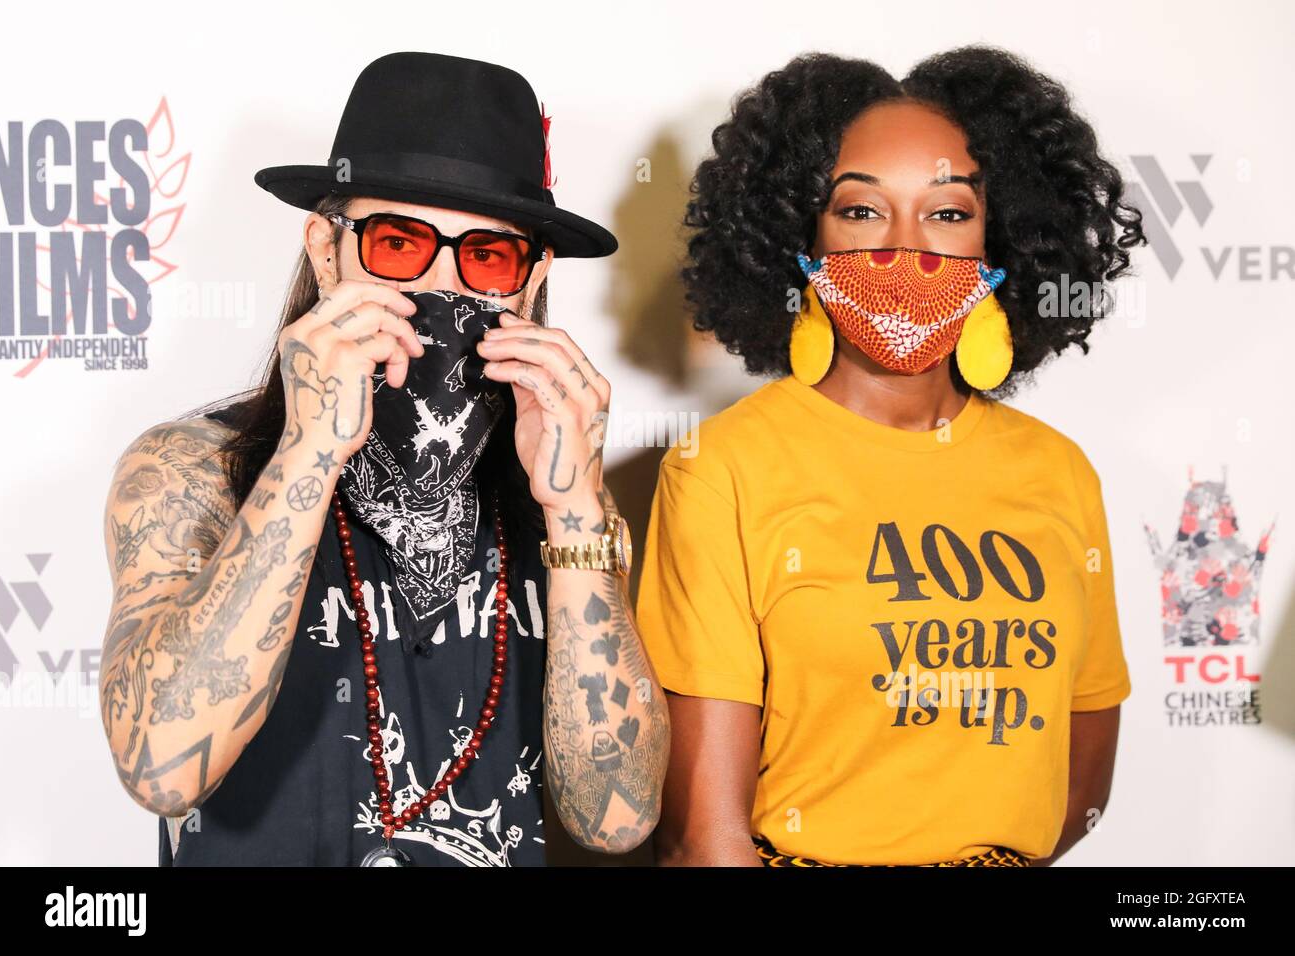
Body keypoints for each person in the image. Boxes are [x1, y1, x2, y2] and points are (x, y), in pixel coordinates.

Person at [99, 51, 669, 866]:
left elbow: (617, 817)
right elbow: (159, 765)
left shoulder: (563, 502)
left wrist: (574, 503)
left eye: (486, 256)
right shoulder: (191, 471)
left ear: (531, 281)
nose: (439, 286)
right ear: (327, 250)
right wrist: (307, 452)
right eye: (398, 242)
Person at [636, 47, 1143, 867]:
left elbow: (1076, 786)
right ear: (799, 237)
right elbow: (705, 835)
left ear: (1002, 235)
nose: (905, 253)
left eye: (948, 213)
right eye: (862, 212)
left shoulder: (1059, 472)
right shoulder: (723, 467)